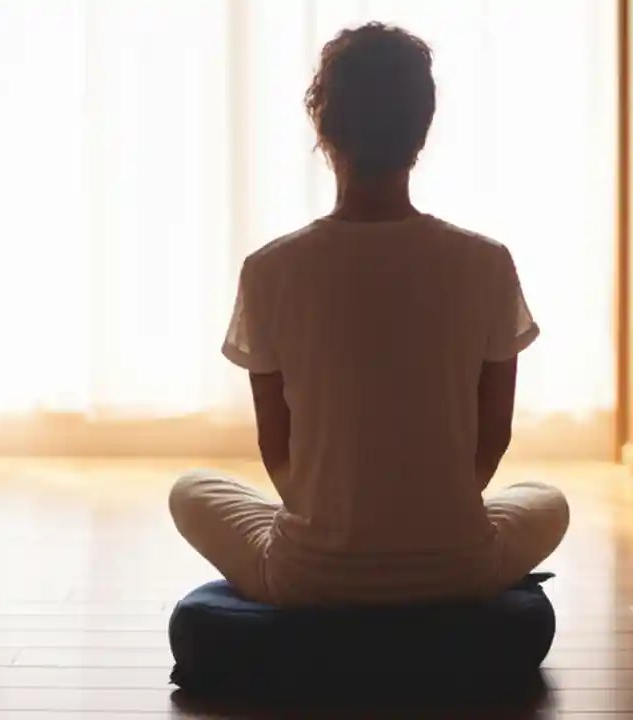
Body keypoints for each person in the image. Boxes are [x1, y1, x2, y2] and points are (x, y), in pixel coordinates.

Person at [170, 22, 568, 607]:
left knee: (191, 490)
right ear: (422, 130)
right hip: (459, 565)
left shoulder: (269, 269)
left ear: (323, 128)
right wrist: (422, 523)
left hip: (308, 575)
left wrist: (346, 522)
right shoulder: (486, 262)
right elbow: (493, 438)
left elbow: (278, 453)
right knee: (545, 499)